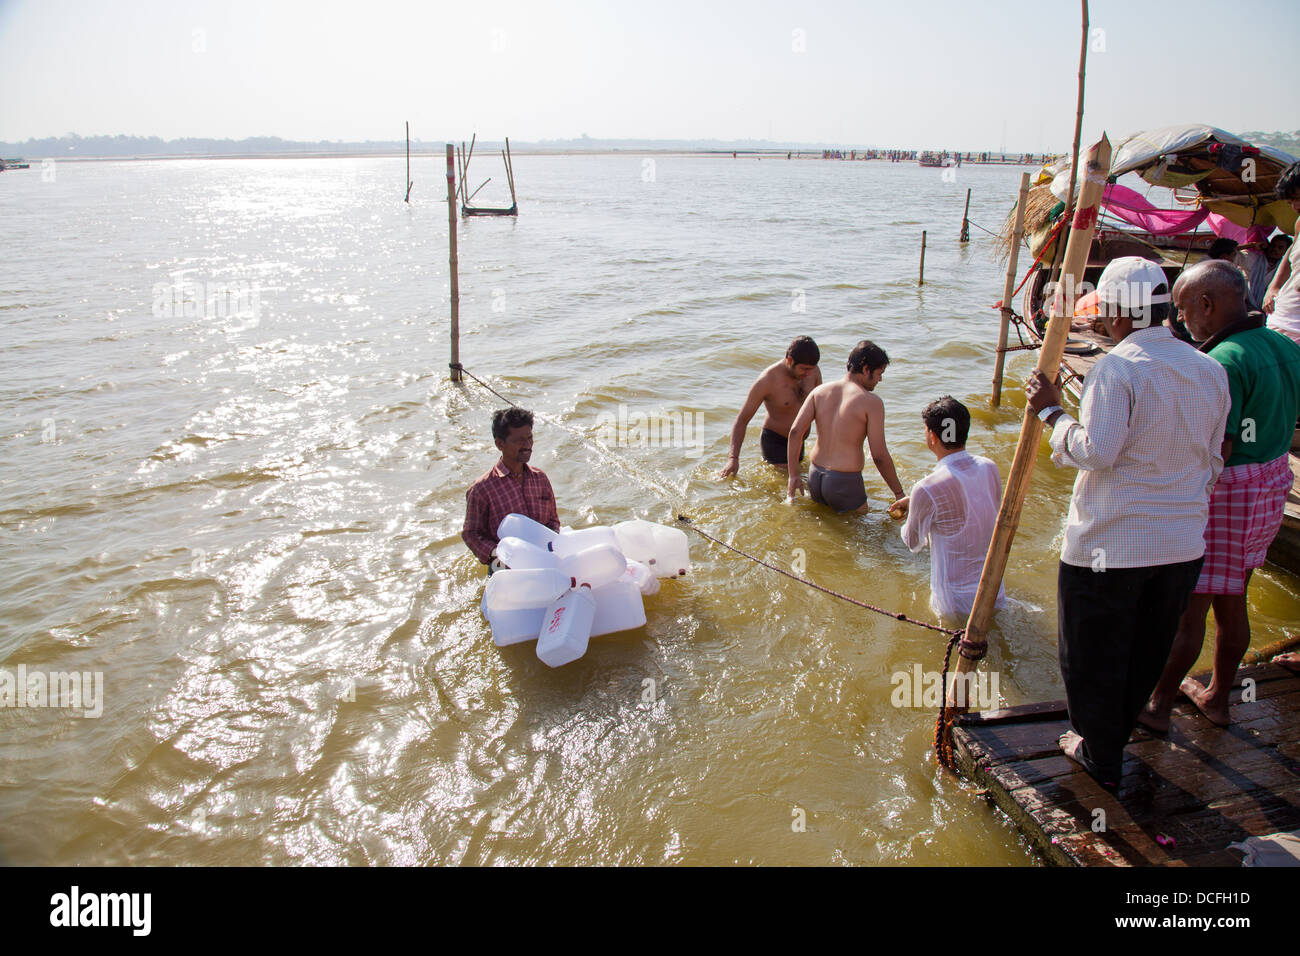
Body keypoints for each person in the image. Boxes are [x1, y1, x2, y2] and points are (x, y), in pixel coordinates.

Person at [1024, 256, 1230, 788]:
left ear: (1116, 313)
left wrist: (1051, 413)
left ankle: (1099, 751)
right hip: (1181, 546)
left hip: (1110, 548)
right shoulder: (1209, 369)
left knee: (1092, 654)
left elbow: (1096, 450)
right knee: (1146, 646)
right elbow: (1214, 460)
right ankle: (1109, 739)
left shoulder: (1118, 368)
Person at [1142, 260, 1300, 730]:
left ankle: (1158, 706)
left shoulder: (1223, 361)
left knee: (1190, 610)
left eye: (1185, 311)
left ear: (1207, 306)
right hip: (1271, 482)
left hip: (1229, 492)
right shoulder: (1283, 345)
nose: (1183, 322)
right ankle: (1217, 696)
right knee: (1235, 601)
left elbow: (1218, 448)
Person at [896, 397, 1005, 619]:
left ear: (933, 436)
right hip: (995, 591)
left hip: (954, 602)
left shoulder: (926, 488)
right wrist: (916, 502)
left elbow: (913, 543)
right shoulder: (988, 466)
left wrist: (912, 510)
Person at [786, 340, 905, 514]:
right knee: (863, 533)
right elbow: (879, 455)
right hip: (844, 483)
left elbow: (795, 432)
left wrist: (793, 476)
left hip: (815, 476)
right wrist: (899, 493)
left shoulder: (819, 392)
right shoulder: (871, 402)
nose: (880, 379)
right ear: (865, 369)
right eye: (880, 373)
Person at [461, 407, 560, 568]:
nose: (527, 445)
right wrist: (498, 555)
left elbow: (553, 520)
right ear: (500, 444)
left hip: (544, 562)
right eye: (519, 440)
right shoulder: (482, 489)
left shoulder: (540, 478)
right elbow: (471, 534)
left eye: (530, 438)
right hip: (506, 567)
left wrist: (551, 545)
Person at [718, 336, 821, 477]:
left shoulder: (812, 371)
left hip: (799, 440)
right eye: (804, 369)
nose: (808, 373)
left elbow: (821, 407)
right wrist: (733, 459)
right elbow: (742, 420)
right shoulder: (767, 380)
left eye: (811, 369)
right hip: (776, 442)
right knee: (787, 490)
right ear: (789, 361)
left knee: (803, 482)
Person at [1262, 161, 1300, 345]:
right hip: (1282, 320)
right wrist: (1274, 287)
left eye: (1299, 198)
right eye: (1291, 201)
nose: (1296, 207)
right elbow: (1292, 250)